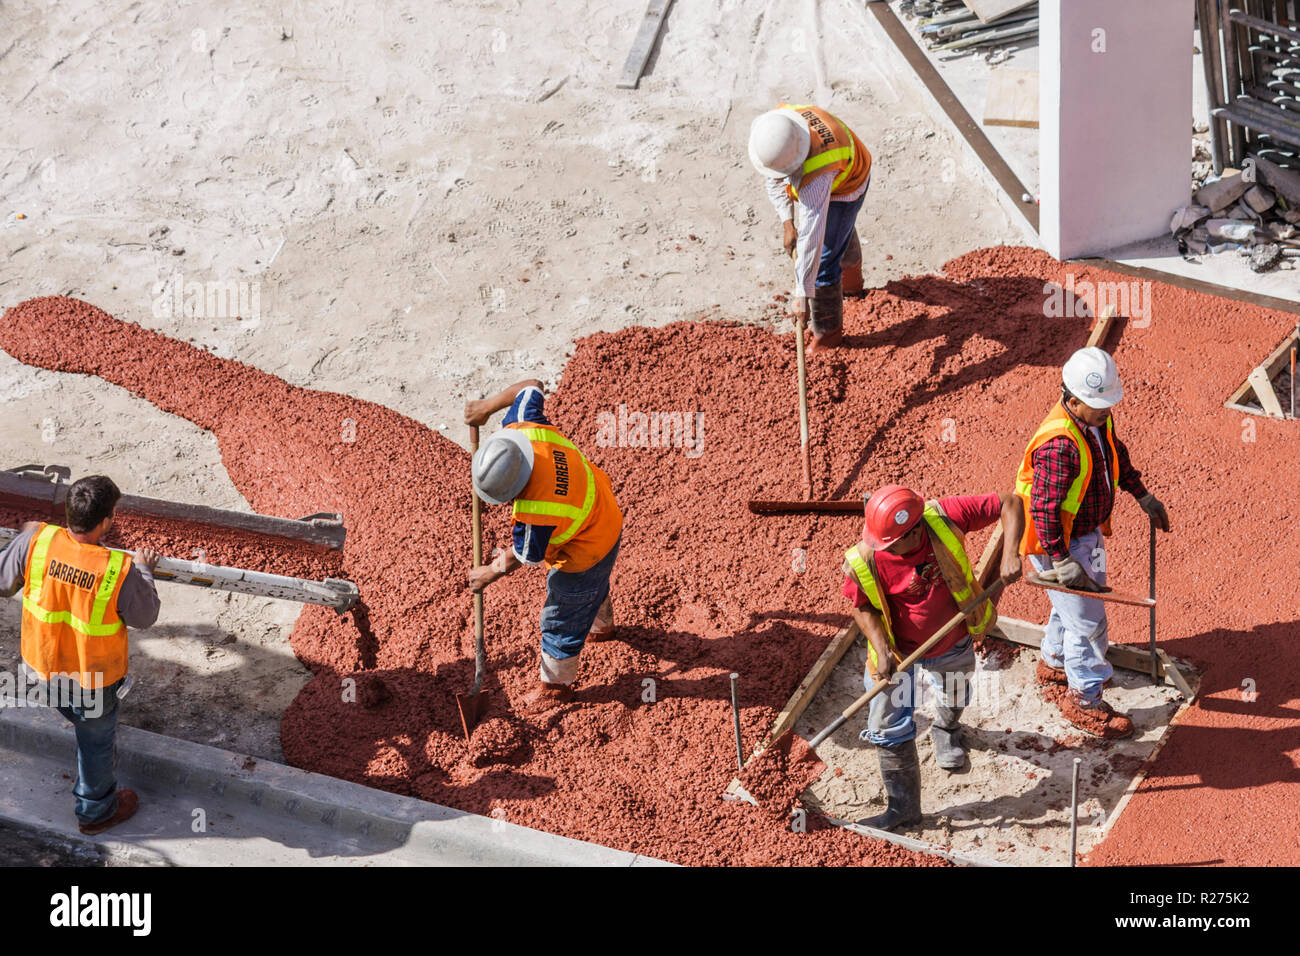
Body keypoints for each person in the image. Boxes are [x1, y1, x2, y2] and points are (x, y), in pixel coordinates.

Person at [842, 484, 1023, 831]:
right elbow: (862, 608)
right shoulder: (865, 557)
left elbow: (1010, 502)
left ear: (914, 530)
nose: (887, 548)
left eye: (894, 542)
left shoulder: (942, 517)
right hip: (898, 655)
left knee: (955, 693)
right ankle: (904, 809)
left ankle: (947, 728)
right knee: (888, 723)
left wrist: (1011, 553)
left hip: (951, 643)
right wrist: (882, 651)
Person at [1016, 346, 1171, 738]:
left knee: (1068, 610)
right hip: (1060, 545)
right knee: (1088, 623)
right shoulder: (1060, 446)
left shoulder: (1095, 421)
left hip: (1083, 536)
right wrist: (1061, 559)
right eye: (1098, 408)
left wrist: (1142, 495)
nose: (1106, 413)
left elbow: (1113, 456)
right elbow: (1044, 508)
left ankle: (1052, 665)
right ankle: (1085, 701)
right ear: (1071, 400)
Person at [0, 475, 160, 834]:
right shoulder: (117, 570)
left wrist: (24, 540)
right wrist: (146, 571)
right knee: (95, 742)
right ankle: (95, 811)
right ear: (105, 521)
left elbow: (2, 581)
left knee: (74, 715)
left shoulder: (39, 541)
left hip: (39, 668)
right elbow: (145, 617)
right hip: (91, 681)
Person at [465, 380, 622, 713]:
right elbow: (531, 386)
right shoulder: (526, 428)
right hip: (602, 511)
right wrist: (487, 407)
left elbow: (524, 556)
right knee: (593, 583)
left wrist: (487, 573)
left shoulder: (537, 511)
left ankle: (556, 687)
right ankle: (601, 625)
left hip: (587, 545)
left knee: (561, 614)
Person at [748, 103, 873, 351]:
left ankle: (829, 337)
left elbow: (811, 236)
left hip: (848, 182)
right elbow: (774, 178)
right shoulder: (777, 127)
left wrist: (801, 296)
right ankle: (850, 286)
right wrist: (787, 222)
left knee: (824, 261)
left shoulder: (817, 175)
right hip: (835, 164)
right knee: (836, 232)